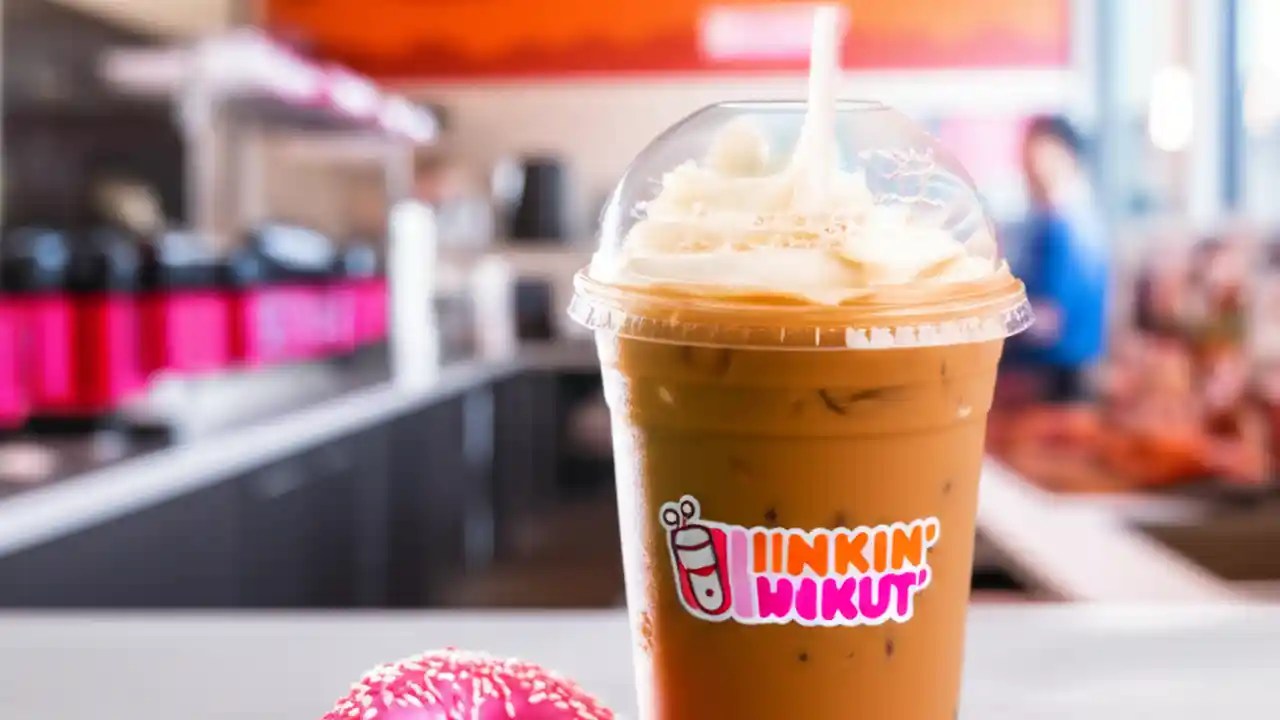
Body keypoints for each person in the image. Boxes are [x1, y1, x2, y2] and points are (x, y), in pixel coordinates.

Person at [1007, 115, 1109, 402]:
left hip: (1056, 381)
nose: (1026, 170)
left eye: (1034, 158)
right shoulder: (1063, 220)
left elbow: (1048, 320)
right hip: (1056, 375)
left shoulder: (1067, 227)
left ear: (1064, 157)